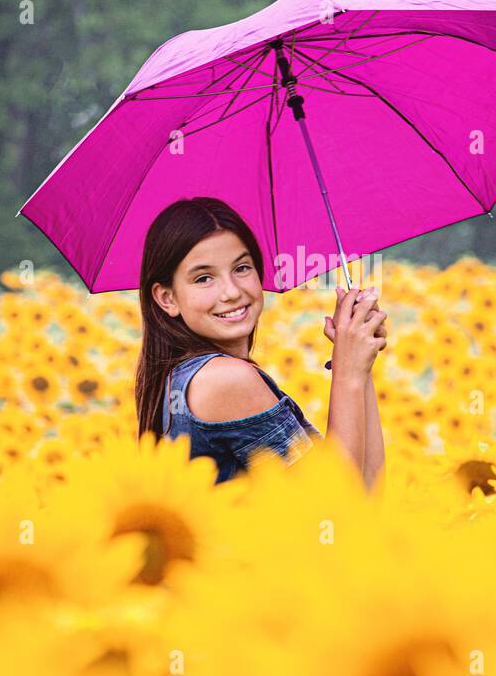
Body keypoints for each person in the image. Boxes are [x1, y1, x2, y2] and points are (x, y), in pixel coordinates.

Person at [134, 196, 386, 488]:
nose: (231, 292)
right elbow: (336, 502)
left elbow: (367, 492)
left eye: (242, 268)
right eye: (204, 278)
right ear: (168, 298)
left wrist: (359, 360)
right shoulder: (226, 381)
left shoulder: (181, 379)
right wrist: (347, 370)